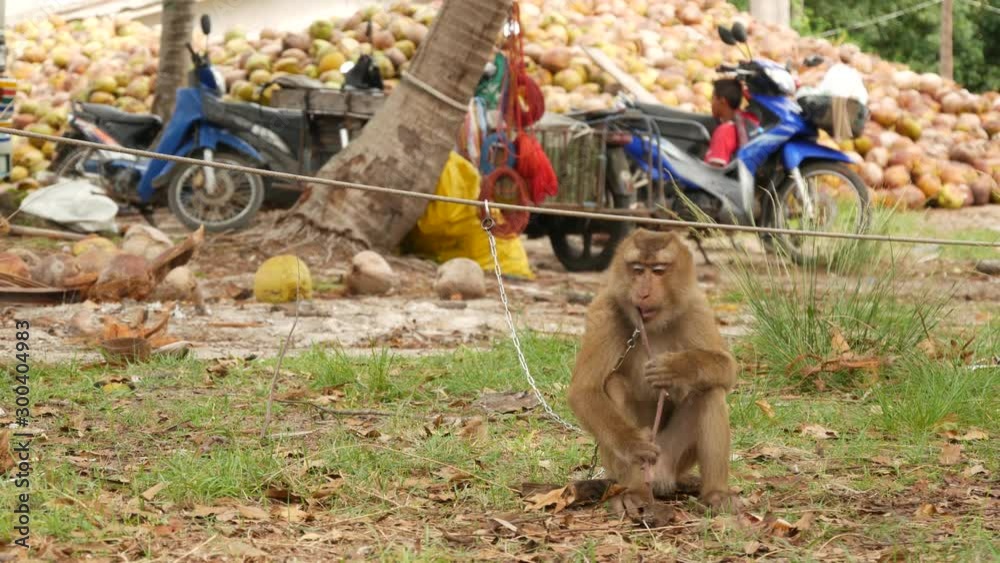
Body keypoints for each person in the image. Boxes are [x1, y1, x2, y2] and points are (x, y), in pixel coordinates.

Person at [704, 78, 759, 167]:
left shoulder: (724, 131)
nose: (711, 103)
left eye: (713, 98)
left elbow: (715, 169)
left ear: (722, 101)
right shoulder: (746, 121)